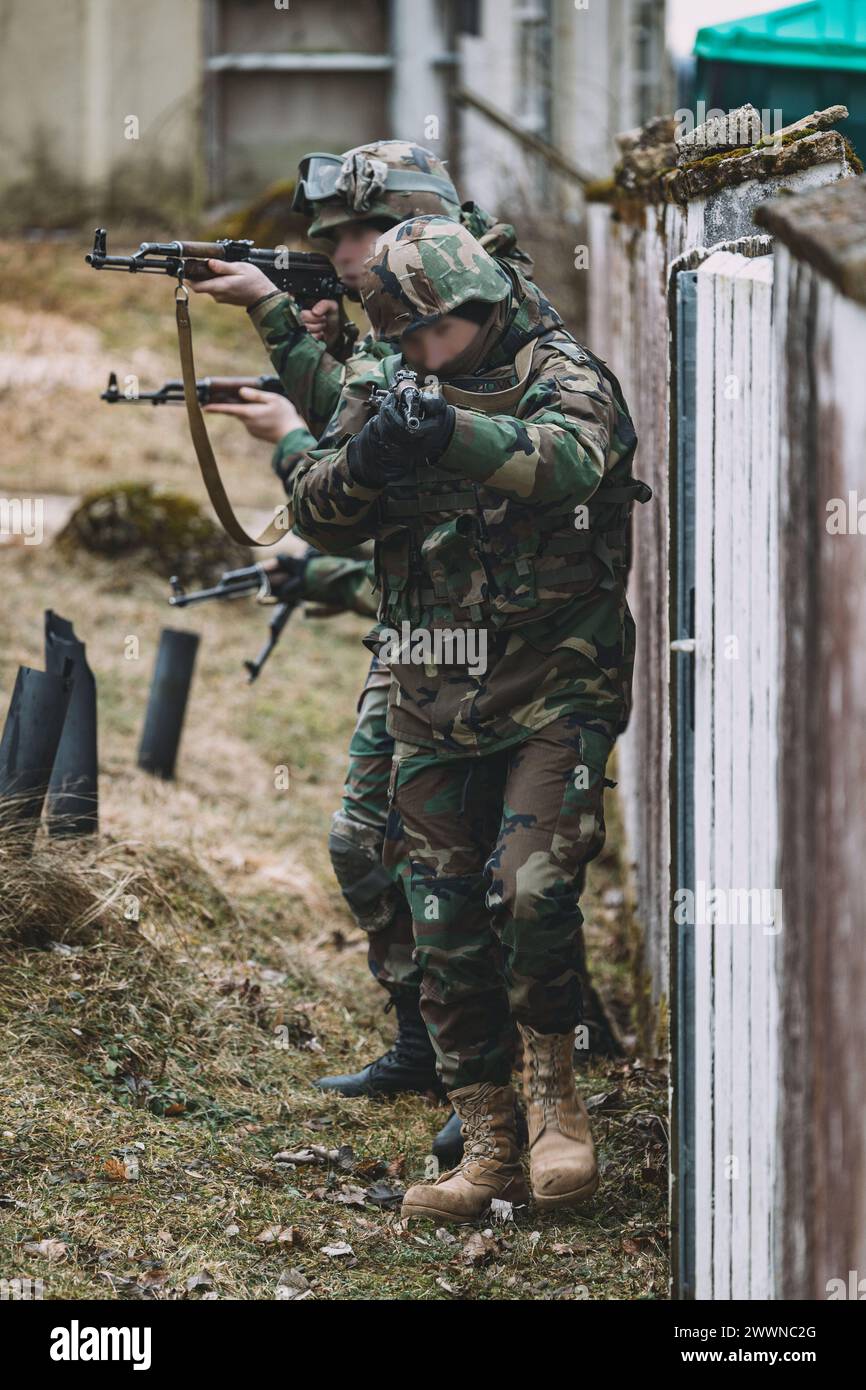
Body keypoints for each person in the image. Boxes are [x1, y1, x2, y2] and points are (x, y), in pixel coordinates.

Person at [287, 215, 651, 1222]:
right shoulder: (394, 385)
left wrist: (450, 435)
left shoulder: (560, 374)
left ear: (472, 310)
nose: (409, 353)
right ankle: (485, 1142)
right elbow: (312, 503)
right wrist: (368, 461)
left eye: (422, 334)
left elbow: (569, 465)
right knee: (441, 920)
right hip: (428, 691)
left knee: (530, 889)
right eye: (396, 338)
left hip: (554, 682)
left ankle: (555, 1104)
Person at [192, 142, 536, 1165]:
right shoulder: (397, 321)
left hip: (480, 630)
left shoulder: (465, 318)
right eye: (332, 239)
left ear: (419, 225)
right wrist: (293, 342)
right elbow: (348, 431)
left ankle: (504, 1075)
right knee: (368, 842)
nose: (340, 253)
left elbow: (344, 491)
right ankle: (428, 1044)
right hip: (416, 617)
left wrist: (286, 424)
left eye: (356, 232)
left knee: (478, 868)